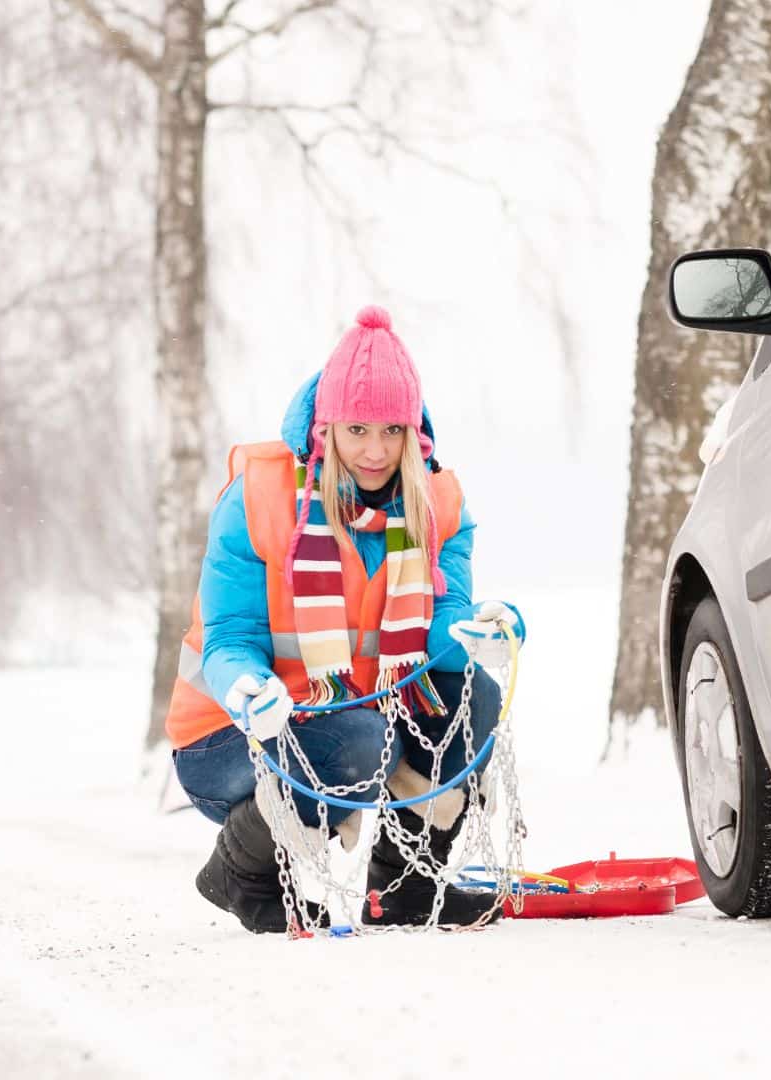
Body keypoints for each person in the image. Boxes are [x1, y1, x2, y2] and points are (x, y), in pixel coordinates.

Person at [164, 305, 525, 934]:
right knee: (358, 746)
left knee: (472, 699)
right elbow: (230, 636)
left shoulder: (438, 501)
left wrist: (474, 633)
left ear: (414, 432)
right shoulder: (258, 496)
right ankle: (239, 873)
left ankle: (405, 889)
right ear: (327, 426)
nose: (376, 451)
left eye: (393, 431)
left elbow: (442, 616)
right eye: (358, 429)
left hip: (355, 710)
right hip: (230, 729)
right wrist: (245, 687)